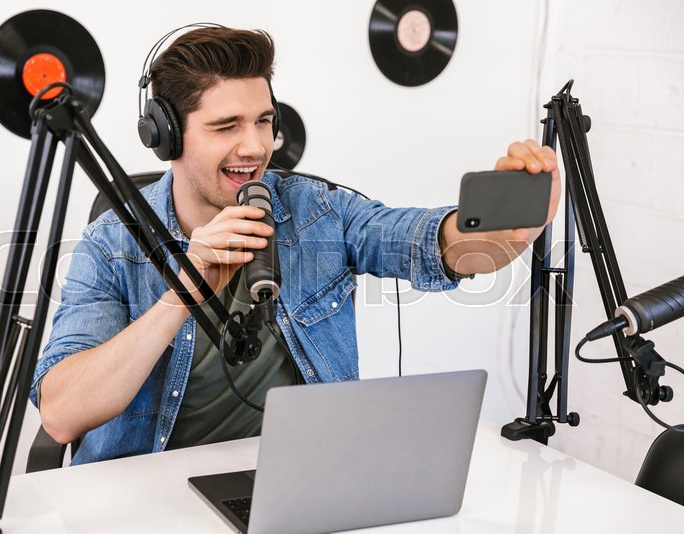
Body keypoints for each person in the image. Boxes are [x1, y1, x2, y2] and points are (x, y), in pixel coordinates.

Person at [29, 26, 560, 464]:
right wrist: (182, 294)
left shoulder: (317, 212)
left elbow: (431, 244)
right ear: (166, 135)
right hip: (151, 499)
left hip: (302, 482)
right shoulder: (112, 243)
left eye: (263, 121)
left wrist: (509, 227)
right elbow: (61, 413)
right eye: (226, 126)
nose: (255, 146)